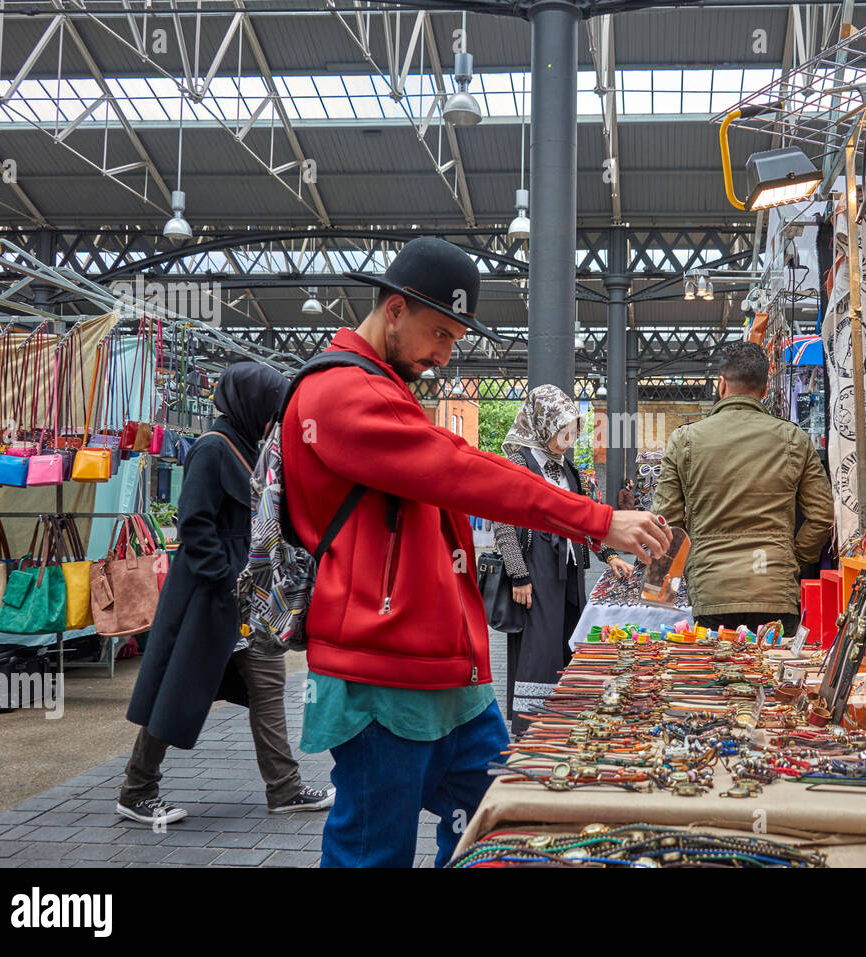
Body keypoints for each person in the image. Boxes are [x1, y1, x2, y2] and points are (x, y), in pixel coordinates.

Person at [282, 237, 670, 868]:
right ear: (395, 309)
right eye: (440, 333)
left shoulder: (384, 388)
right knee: (373, 854)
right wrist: (597, 520)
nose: (445, 353)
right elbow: (461, 470)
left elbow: (460, 471)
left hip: (449, 672)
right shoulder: (339, 394)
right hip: (383, 674)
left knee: (499, 829)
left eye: (455, 338)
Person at [118, 362, 334, 826]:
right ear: (250, 403)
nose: (273, 419)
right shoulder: (213, 448)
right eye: (270, 409)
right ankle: (137, 790)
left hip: (244, 596)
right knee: (178, 689)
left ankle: (285, 789)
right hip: (209, 597)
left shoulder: (246, 447)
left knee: (267, 685)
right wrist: (224, 581)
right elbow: (194, 524)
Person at [651, 341, 834, 635]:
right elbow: (822, 516)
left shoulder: (685, 440)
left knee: (717, 664)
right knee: (775, 665)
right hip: (774, 587)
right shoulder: (793, 439)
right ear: (765, 389)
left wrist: (693, 567)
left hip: (712, 590)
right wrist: (791, 559)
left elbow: (666, 523)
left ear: (721, 384)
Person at [493, 386, 634, 724]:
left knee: (567, 639)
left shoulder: (567, 469)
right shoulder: (519, 464)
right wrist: (519, 575)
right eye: (562, 431)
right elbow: (503, 522)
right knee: (538, 645)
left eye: (572, 432)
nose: (567, 440)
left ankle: (562, 716)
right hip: (535, 567)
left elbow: (581, 519)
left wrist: (610, 555)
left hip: (567, 569)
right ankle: (530, 724)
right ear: (542, 424)